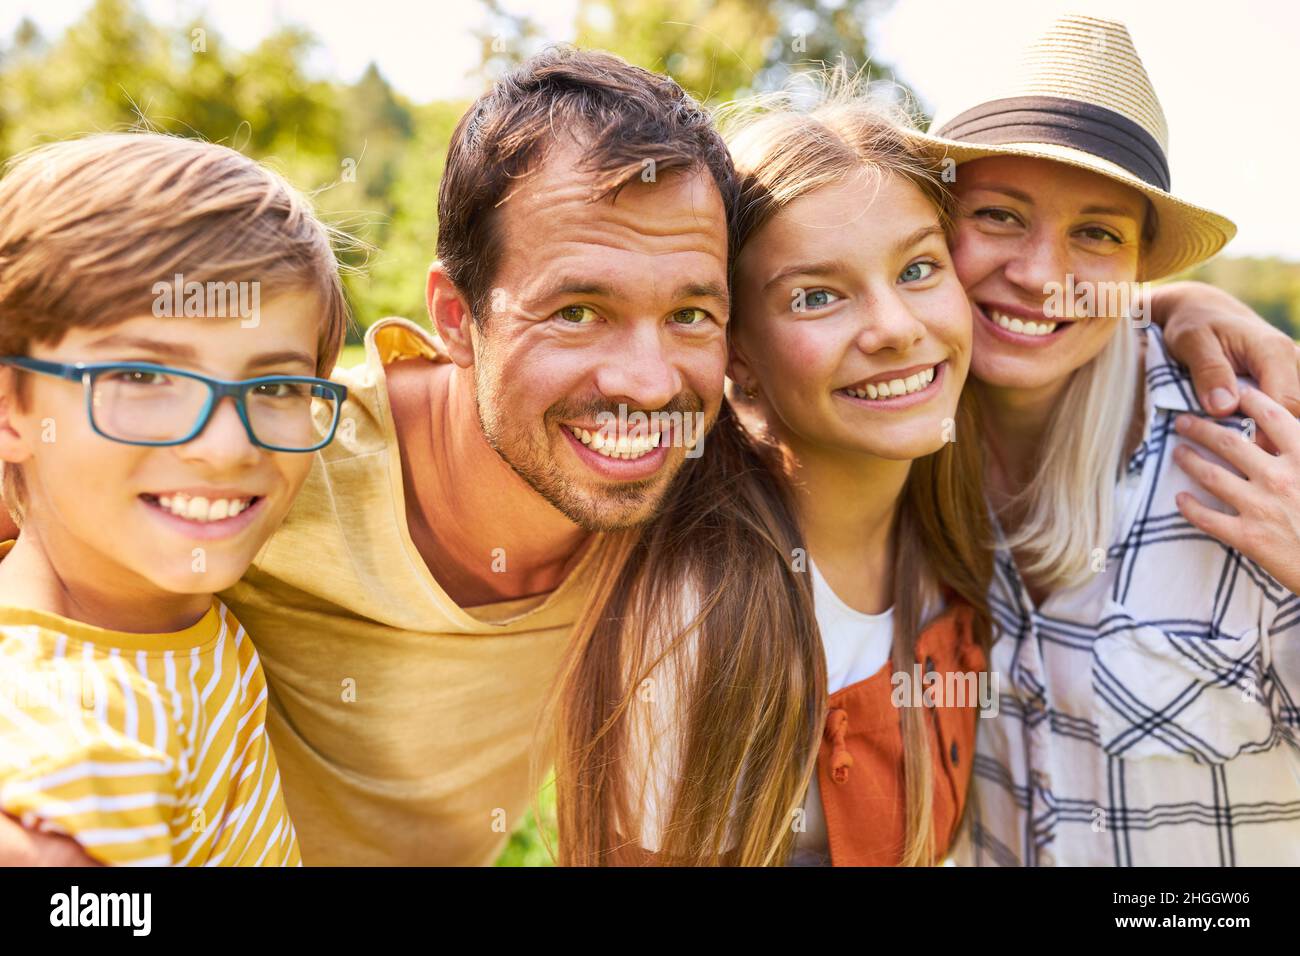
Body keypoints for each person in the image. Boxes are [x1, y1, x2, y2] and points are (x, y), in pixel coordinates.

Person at [1, 45, 1294, 866]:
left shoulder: (715, 494)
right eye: (575, 310)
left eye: (687, 311)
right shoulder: (274, 459)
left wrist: (1176, 312)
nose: (640, 376)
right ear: (455, 321)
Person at [551, 86, 994, 866]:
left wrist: (1190, 308)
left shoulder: (957, 504)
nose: (896, 327)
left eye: (919, 268)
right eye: (817, 296)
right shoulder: (704, 615)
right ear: (739, 361)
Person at [921, 14, 1300, 865]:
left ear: (1138, 271)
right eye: (998, 215)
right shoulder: (892, 458)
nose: (1042, 274)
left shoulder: (1262, 457)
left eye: (1097, 233)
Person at [0, 132, 351, 865]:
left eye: (278, 386)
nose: (226, 449)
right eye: (143, 377)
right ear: (11, 408)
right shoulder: (68, 737)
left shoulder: (149, 618)